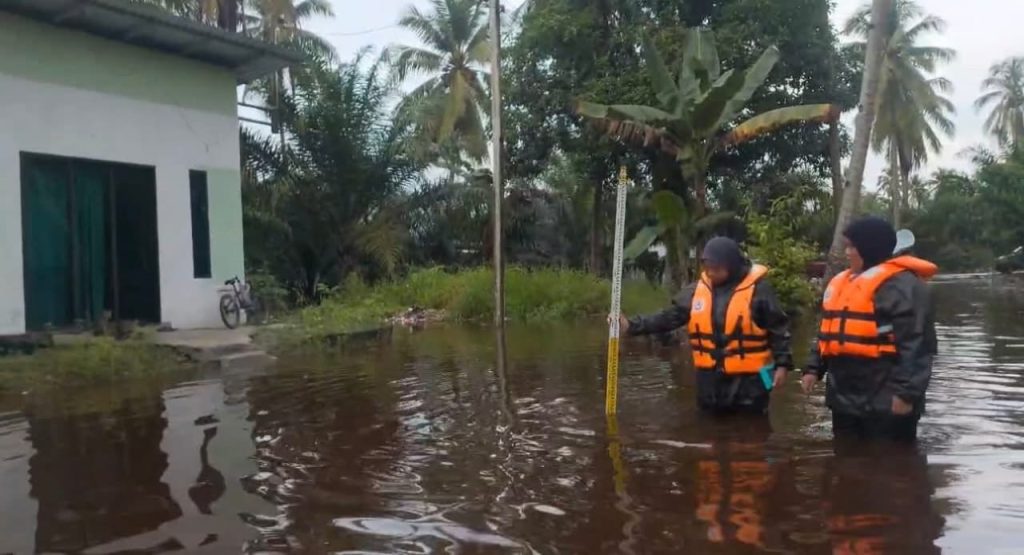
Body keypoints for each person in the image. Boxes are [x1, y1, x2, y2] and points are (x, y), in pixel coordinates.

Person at [617, 237, 793, 415]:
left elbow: (778, 329)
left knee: (749, 434)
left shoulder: (759, 291)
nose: (710, 273)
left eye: (716, 269)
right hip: (709, 380)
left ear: (731, 266)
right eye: (707, 269)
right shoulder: (696, 291)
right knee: (709, 432)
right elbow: (669, 317)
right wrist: (632, 325)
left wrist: (782, 365)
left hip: (750, 382)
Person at [800, 216, 938, 442]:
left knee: (889, 468)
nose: (847, 253)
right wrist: (813, 369)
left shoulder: (904, 287)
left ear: (868, 248)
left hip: (886, 399)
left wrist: (906, 394)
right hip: (844, 398)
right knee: (845, 462)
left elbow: (918, 346)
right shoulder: (842, 283)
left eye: (852, 247)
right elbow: (828, 331)